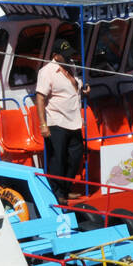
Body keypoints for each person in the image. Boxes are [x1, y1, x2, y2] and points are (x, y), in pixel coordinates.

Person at [35, 38, 89, 202]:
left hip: (74, 120)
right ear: (55, 56)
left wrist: (83, 90)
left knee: (75, 155)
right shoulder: (46, 72)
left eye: (69, 54)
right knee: (57, 158)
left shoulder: (71, 66)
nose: (68, 58)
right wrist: (43, 124)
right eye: (64, 55)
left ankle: (65, 189)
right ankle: (57, 193)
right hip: (56, 120)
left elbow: (75, 86)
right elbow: (40, 98)